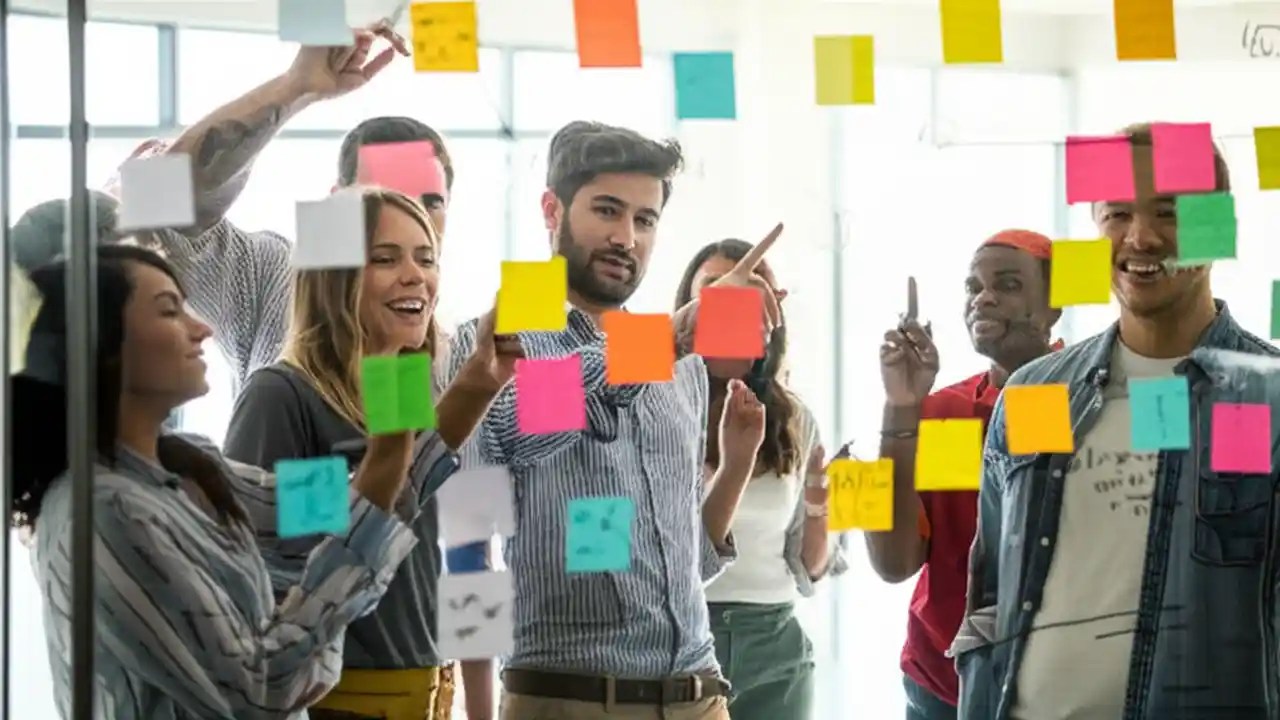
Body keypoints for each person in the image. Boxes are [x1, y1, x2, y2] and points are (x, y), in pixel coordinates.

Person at [8, 24, 495, 715]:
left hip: (423, 686)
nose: (402, 222)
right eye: (373, 207)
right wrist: (296, 88)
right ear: (332, 206)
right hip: (328, 690)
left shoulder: (439, 352)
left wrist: (480, 694)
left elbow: (466, 535)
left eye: (427, 208)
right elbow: (156, 207)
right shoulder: (271, 301)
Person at [447, 121, 781, 720]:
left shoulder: (674, 365)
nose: (626, 237)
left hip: (700, 694)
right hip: (568, 698)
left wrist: (734, 471)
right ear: (551, 210)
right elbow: (470, 546)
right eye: (607, 210)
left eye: (644, 219)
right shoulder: (499, 341)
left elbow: (686, 568)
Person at [14, 244, 423, 719]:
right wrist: (390, 448)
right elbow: (255, 688)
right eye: (170, 310)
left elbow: (365, 495)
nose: (201, 327)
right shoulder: (106, 511)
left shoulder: (191, 463)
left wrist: (454, 374)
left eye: (427, 259)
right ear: (102, 342)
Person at [956, 123, 1280, 719]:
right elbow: (993, 593)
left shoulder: (1264, 397)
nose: (1142, 236)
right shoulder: (1038, 390)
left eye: (1169, 211)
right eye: (1118, 214)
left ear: (1219, 224)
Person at [221, 186, 516, 720]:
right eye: (385, 259)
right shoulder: (279, 396)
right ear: (333, 277)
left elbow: (427, 517)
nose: (415, 276)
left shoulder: (404, 388)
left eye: (426, 259)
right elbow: (267, 575)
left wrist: (479, 382)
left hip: (428, 697)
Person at [866, 230, 1060, 720]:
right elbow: (895, 563)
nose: (984, 297)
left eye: (1009, 284)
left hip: (1051, 688)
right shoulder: (946, 408)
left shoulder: (1082, 400)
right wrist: (900, 409)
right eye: (972, 287)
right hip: (937, 684)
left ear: (1055, 306)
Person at [674, 239, 847, 720]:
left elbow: (809, 568)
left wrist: (819, 503)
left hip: (775, 643)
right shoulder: (653, 396)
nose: (731, 306)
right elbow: (595, 373)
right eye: (714, 292)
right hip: (681, 637)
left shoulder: (794, 417)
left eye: (751, 295)